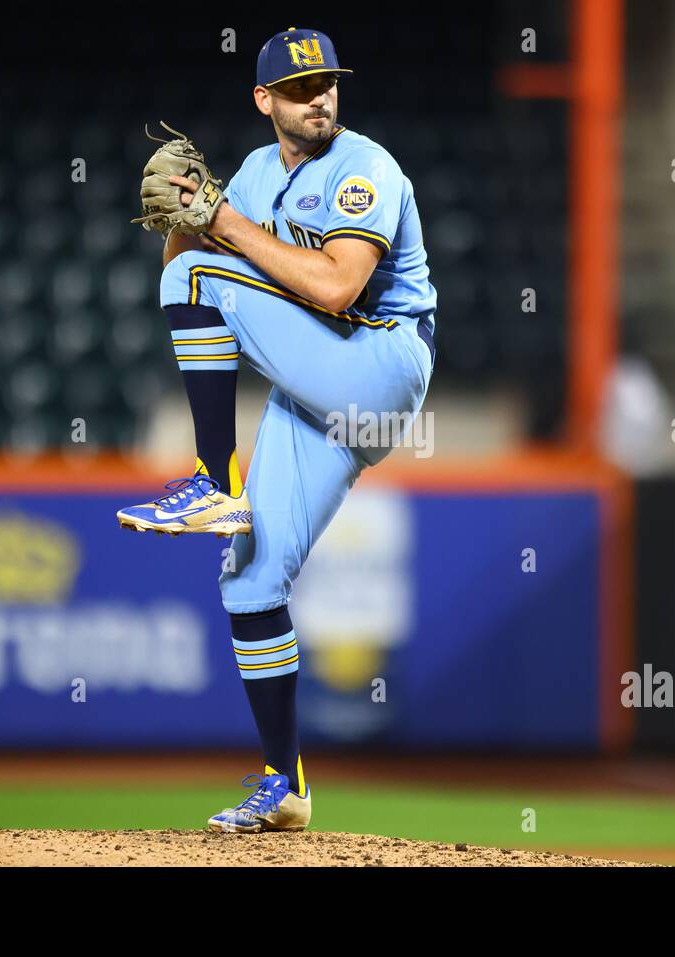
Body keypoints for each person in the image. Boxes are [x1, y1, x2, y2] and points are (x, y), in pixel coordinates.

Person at [116, 27, 436, 833]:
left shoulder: (365, 166)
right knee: (249, 579)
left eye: (327, 82)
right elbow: (188, 266)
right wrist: (183, 223)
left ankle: (212, 480)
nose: (319, 96)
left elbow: (335, 288)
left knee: (200, 272)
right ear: (265, 101)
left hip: (378, 360)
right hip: (316, 387)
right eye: (299, 88)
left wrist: (216, 222)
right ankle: (285, 784)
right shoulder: (259, 174)